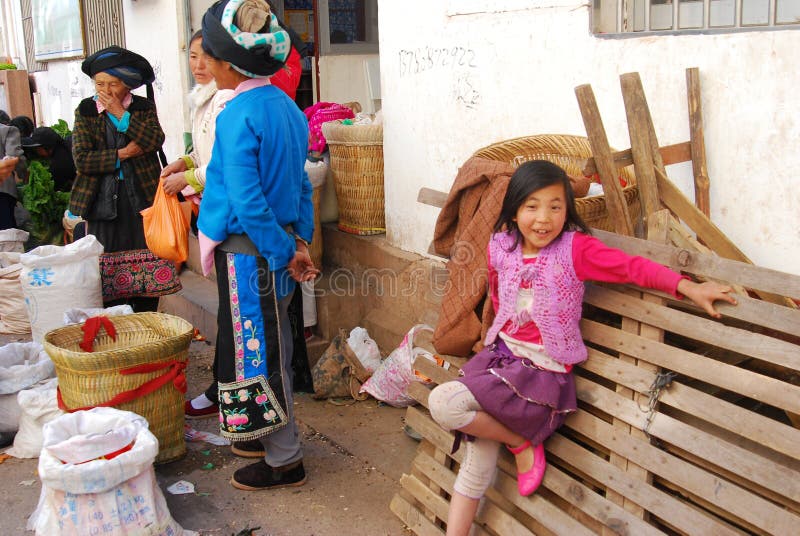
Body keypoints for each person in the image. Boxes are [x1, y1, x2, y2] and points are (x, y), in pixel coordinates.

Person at [427, 160, 737, 535]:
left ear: (567, 210)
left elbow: (632, 267)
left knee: (443, 403)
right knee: (478, 454)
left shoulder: (574, 251)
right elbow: (498, 294)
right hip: (501, 360)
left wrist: (688, 287)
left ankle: (521, 440)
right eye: (532, 206)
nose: (543, 218)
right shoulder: (500, 246)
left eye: (555, 206)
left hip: (538, 377)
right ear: (513, 210)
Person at [198, 0, 317, 490]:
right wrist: (300, 241)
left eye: (208, 55)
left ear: (229, 63)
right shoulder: (287, 108)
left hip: (253, 255)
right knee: (270, 347)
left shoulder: (236, 114)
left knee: (259, 354)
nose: (204, 63)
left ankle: (284, 459)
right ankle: (260, 437)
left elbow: (247, 201)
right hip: (278, 245)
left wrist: (282, 251)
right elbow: (303, 185)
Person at [162, 30, 234, 418]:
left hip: (230, 216)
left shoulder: (227, 100)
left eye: (206, 57)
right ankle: (224, 387)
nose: (199, 65)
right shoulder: (203, 99)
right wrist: (185, 162)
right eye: (192, 57)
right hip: (215, 214)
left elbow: (225, 164)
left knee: (235, 314)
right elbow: (205, 152)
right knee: (230, 307)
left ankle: (225, 389)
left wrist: (188, 179)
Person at [69, 46, 166, 312]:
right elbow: (83, 160)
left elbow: (154, 140)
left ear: (128, 85)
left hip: (141, 199)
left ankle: (146, 323)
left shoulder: (142, 108)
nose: (106, 90)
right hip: (101, 202)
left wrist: (123, 116)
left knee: (148, 268)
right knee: (107, 274)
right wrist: (123, 153)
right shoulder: (87, 110)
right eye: (100, 83)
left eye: (113, 83)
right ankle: (118, 328)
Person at [22, 126, 76, 191]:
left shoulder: (58, 165)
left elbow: (49, 188)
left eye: (37, 148)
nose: (36, 151)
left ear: (47, 147)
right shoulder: (67, 142)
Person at [0, 121, 25, 229]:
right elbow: (15, 157)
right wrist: (24, 174)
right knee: (7, 237)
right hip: (3, 193)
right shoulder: (8, 130)